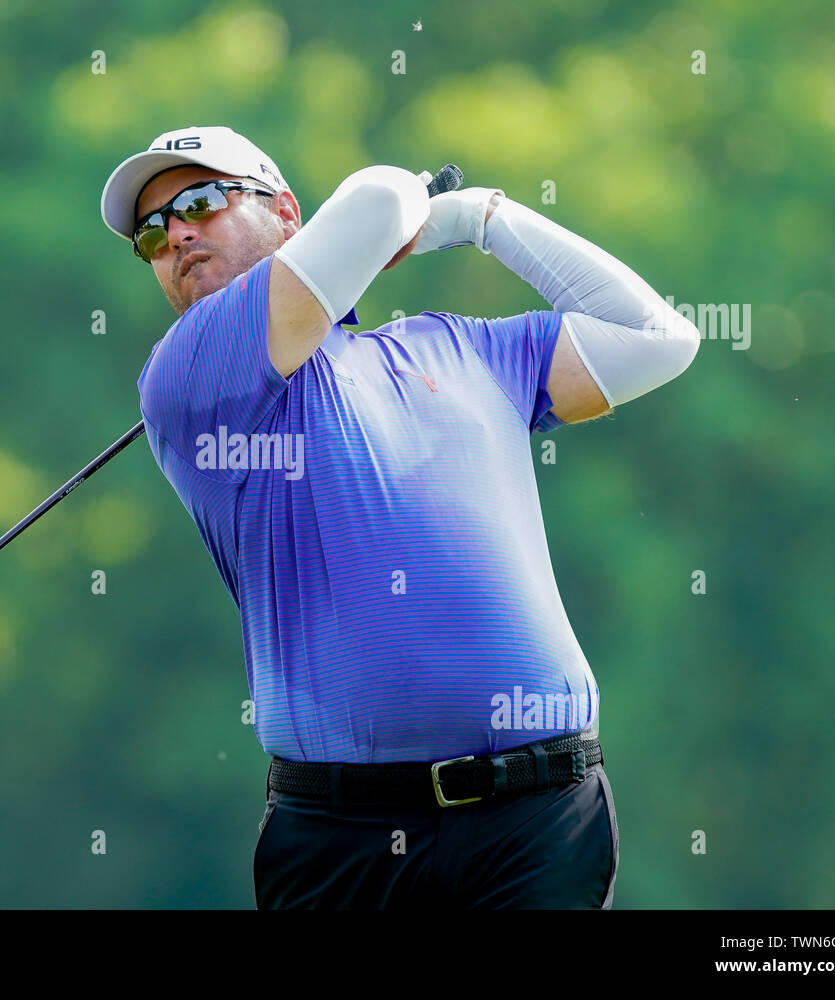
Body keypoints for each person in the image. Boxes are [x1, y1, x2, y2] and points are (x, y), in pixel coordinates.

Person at [100, 125, 699, 909]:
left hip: (540, 814)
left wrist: (484, 219)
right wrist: (405, 216)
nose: (176, 233)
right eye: (152, 231)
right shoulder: (191, 373)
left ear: (286, 213)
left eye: (203, 202)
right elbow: (382, 194)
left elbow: (659, 339)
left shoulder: (458, 348)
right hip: (342, 840)